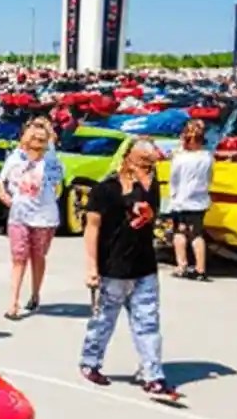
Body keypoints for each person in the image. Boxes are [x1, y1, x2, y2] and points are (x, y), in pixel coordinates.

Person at [80, 137, 180, 401]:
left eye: (151, 166)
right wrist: (91, 266)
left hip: (144, 267)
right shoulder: (106, 189)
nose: (148, 171)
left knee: (148, 324)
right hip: (112, 268)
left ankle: (153, 376)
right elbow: (92, 228)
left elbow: (151, 219)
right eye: (143, 164)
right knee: (103, 321)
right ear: (128, 160)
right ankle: (90, 362)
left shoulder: (152, 187)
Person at [0, 117, 64, 319]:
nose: (37, 143)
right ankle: (13, 303)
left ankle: (35, 294)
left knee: (38, 257)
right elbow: (2, 180)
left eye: (41, 140)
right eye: (33, 138)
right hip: (19, 216)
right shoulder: (16, 158)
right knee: (18, 258)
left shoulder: (51, 161)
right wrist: (6, 196)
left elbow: (57, 185)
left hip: (44, 217)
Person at [168, 119, 213, 280]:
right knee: (197, 234)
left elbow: (174, 179)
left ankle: (182, 265)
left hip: (181, 199)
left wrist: (172, 195)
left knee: (180, 232)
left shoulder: (179, 158)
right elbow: (209, 178)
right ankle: (201, 268)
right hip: (199, 200)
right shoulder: (207, 157)